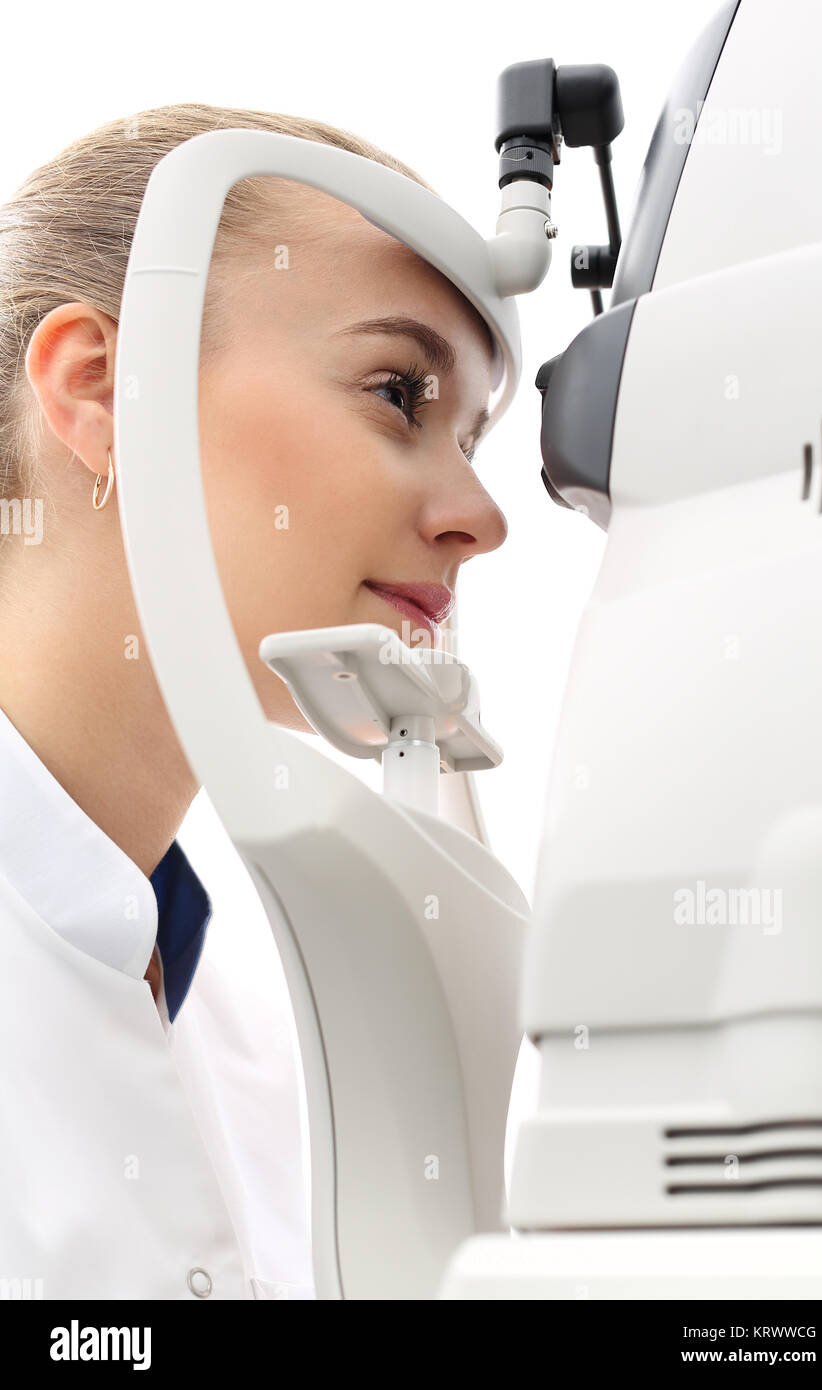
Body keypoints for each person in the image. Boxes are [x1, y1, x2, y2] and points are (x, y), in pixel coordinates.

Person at [0, 102, 507, 1299]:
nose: (481, 517)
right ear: (101, 388)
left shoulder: (253, 1028)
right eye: (397, 392)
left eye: (475, 437)